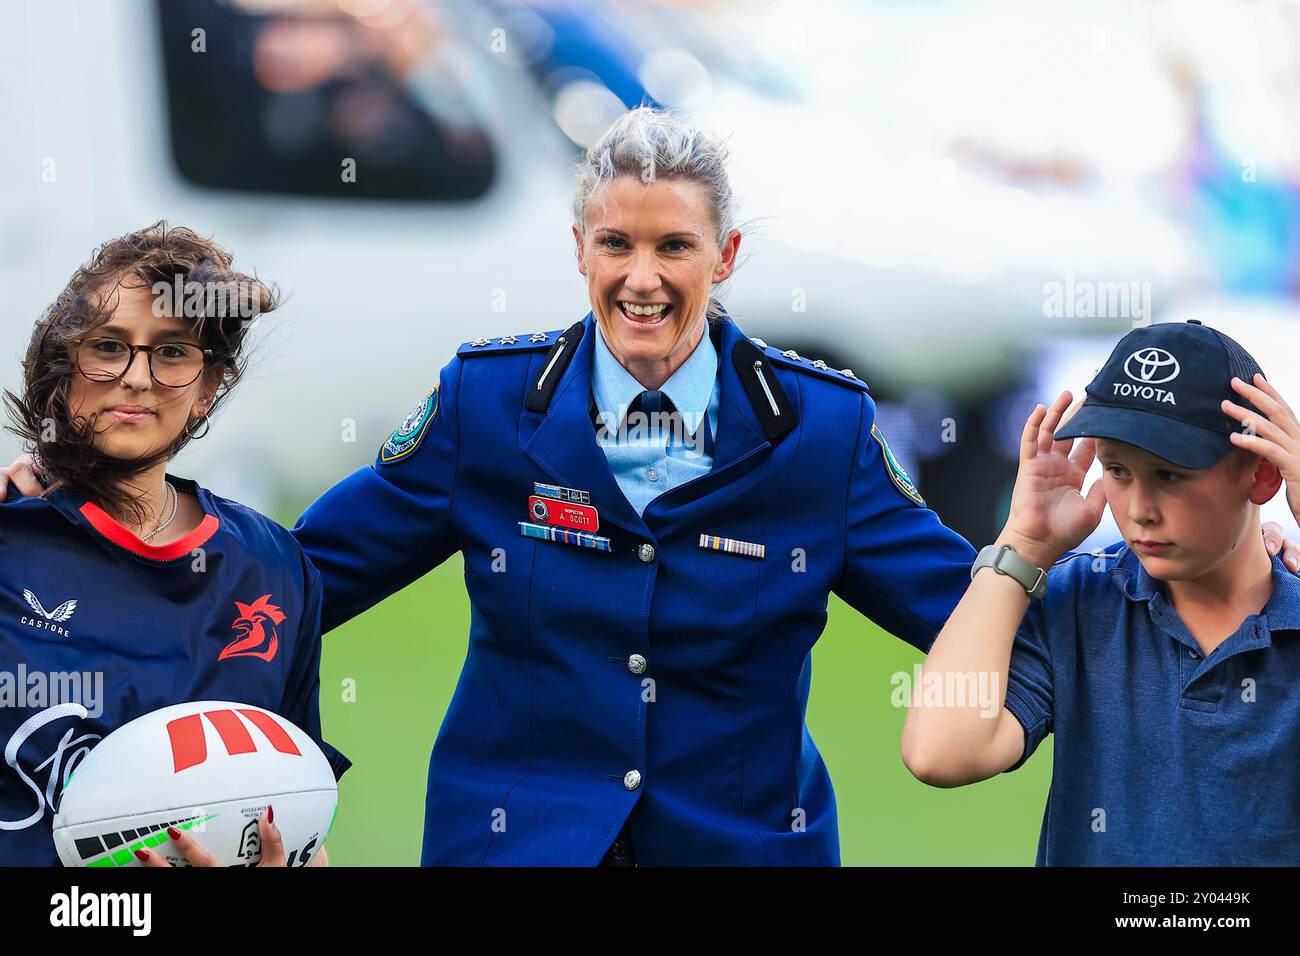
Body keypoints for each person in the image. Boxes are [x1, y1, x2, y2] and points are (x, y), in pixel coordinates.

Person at [4, 114, 1297, 866]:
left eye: (674, 245)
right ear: (577, 250)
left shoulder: (823, 436)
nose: (643, 276)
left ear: (723, 254)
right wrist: (89, 542)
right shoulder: (484, 409)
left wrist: (1180, 544)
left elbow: (977, 627)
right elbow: (293, 579)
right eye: (615, 243)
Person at [0, 223, 348, 867]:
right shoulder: (10, 538)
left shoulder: (272, 566)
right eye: (106, 347)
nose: (136, 377)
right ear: (61, 366)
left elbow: (304, 825)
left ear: (207, 387)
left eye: (173, 352)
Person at [901, 319, 1300, 865]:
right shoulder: (1077, 600)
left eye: (1169, 475)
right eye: (1118, 470)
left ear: (1260, 476)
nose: (1138, 510)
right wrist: (1022, 545)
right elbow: (940, 752)